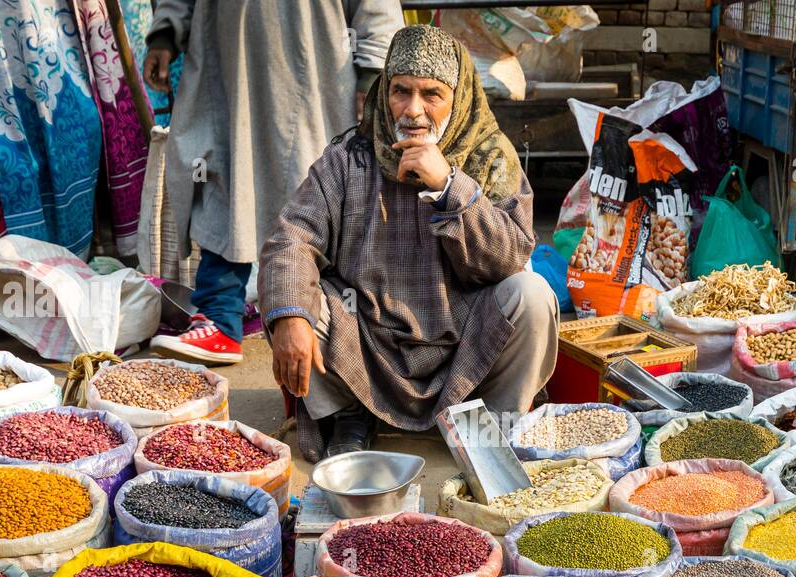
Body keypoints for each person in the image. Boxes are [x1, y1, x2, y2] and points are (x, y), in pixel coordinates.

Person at [259, 24, 559, 460]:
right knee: (296, 301)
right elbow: (292, 236)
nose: (413, 111)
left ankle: (491, 421)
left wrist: (450, 187)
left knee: (531, 297)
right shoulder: (349, 156)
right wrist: (289, 317)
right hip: (364, 340)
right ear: (384, 92)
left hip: (463, 339)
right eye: (401, 91)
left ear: (457, 100)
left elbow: (510, 257)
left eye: (431, 95)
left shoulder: (489, 157)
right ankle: (350, 413)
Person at [142, 0, 402, 365]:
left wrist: (372, 72)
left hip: (314, 66)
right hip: (226, 65)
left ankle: (326, 328)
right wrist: (166, 34)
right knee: (222, 177)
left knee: (313, 193)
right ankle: (220, 320)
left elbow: (376, 8)